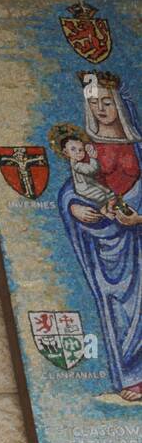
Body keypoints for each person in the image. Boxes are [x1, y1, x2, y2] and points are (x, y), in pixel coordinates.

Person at [57, 71, 142, 401]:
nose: (101, 109)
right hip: (107, 242)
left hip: (137, 237)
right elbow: (73, 189)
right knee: (116, 308)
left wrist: (138, 216)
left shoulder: (137, 146)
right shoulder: (86, 150)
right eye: (94, 104)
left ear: (119, 103)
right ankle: (133, 376)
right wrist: (73, 208)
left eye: (107, 101)